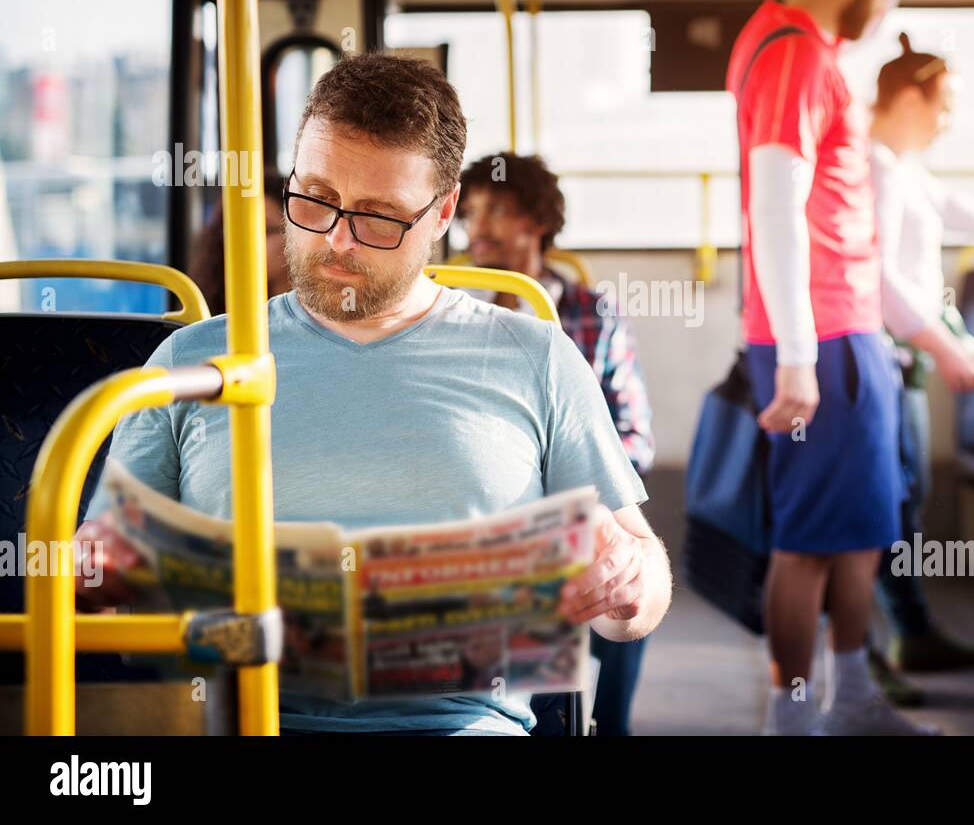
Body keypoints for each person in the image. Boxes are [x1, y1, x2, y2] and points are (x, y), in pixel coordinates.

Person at [76, 52, 672, 736]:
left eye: (378, 216)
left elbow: (643, 572)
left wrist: (628, 582)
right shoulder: (192, 361)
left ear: (443, 212)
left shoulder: (534, 358)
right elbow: (109, 611)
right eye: (315, 197)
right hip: (242, 718)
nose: (336, 239)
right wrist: (107, 586)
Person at [726, 0, 941, 736]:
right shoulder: (791, 55)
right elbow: (774, 206)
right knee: (809, 538)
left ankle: (850, 693)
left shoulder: (800, 42)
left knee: (859, 526)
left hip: (850, 329)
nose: (889, 4)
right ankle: (793, 713)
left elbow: (866, 14)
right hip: (822, 334)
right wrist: (798, 356)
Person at [457, 151, 655, 736]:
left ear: (537, 220)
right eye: (471, 213)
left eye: (497, 211)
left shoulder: (590, 314)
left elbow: (634, 430)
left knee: (626, 568)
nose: (480, 228)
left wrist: (582, 492)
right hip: (487, 497)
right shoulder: (455, 311)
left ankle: (609, 724)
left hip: (575, 496)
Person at [868, 33, 974, 697]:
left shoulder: (901, 166)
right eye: (944, 106)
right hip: (888, 358)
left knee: (907, 495)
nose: (949, 122)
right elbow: (878, 275)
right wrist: (946, 343)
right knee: (887, 501)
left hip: (908, 357)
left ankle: (908, 629)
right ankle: (881, 644)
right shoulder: (876, 167)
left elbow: (945, 202)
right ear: (910, 98)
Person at [187, 168, 291, 314]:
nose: (246, 244)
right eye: (238, 233)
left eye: (264, 230)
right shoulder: (207, 314)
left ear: (294, 235)